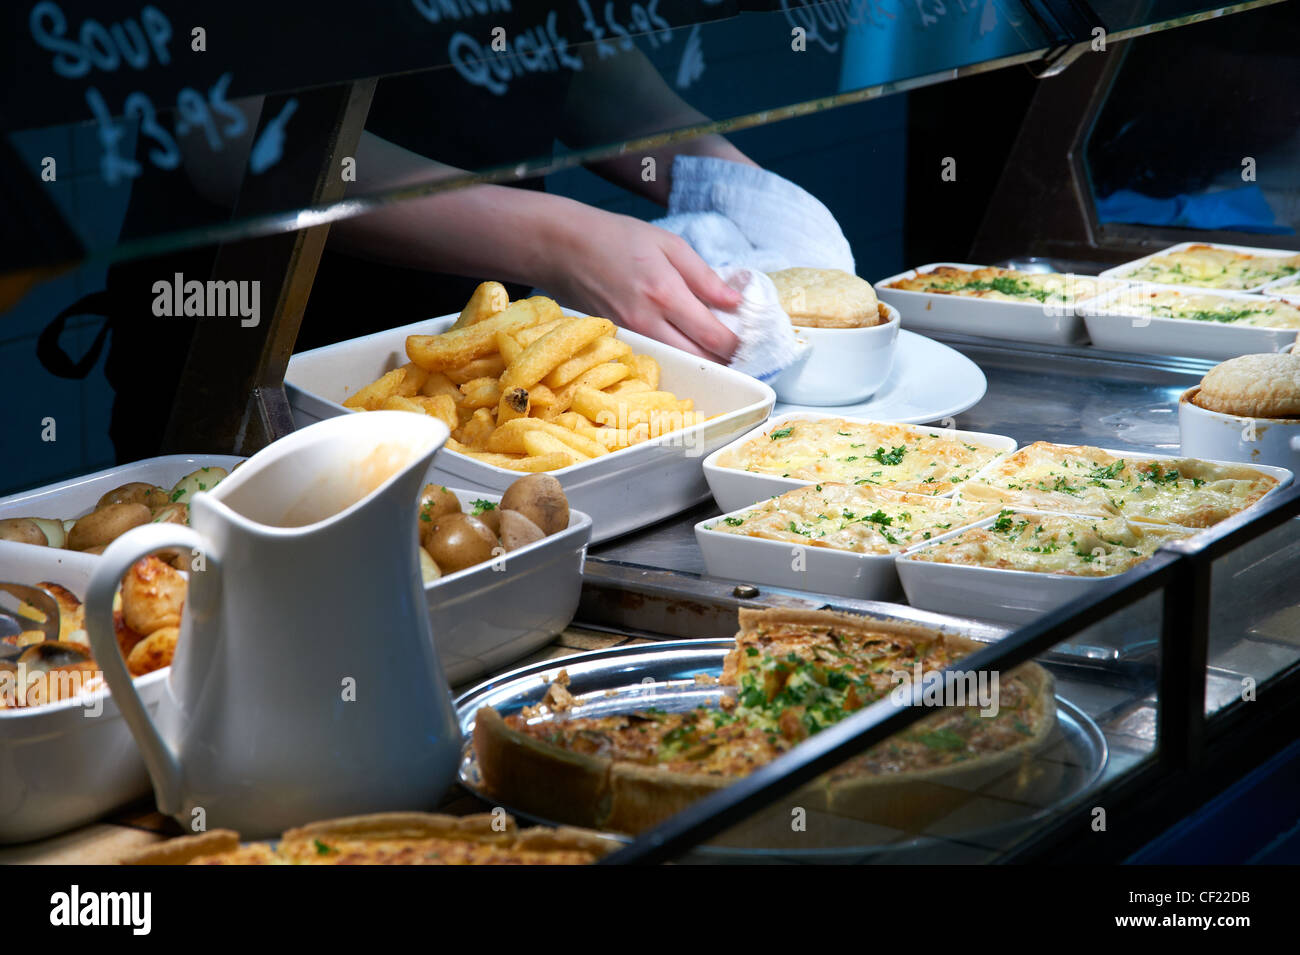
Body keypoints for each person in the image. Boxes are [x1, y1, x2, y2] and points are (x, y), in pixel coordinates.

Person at [65, 44, 765, 460]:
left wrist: (730, 183)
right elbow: (226, 137)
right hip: (253, 348)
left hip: (483, 372)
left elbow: (568, 55)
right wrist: (558, 239)